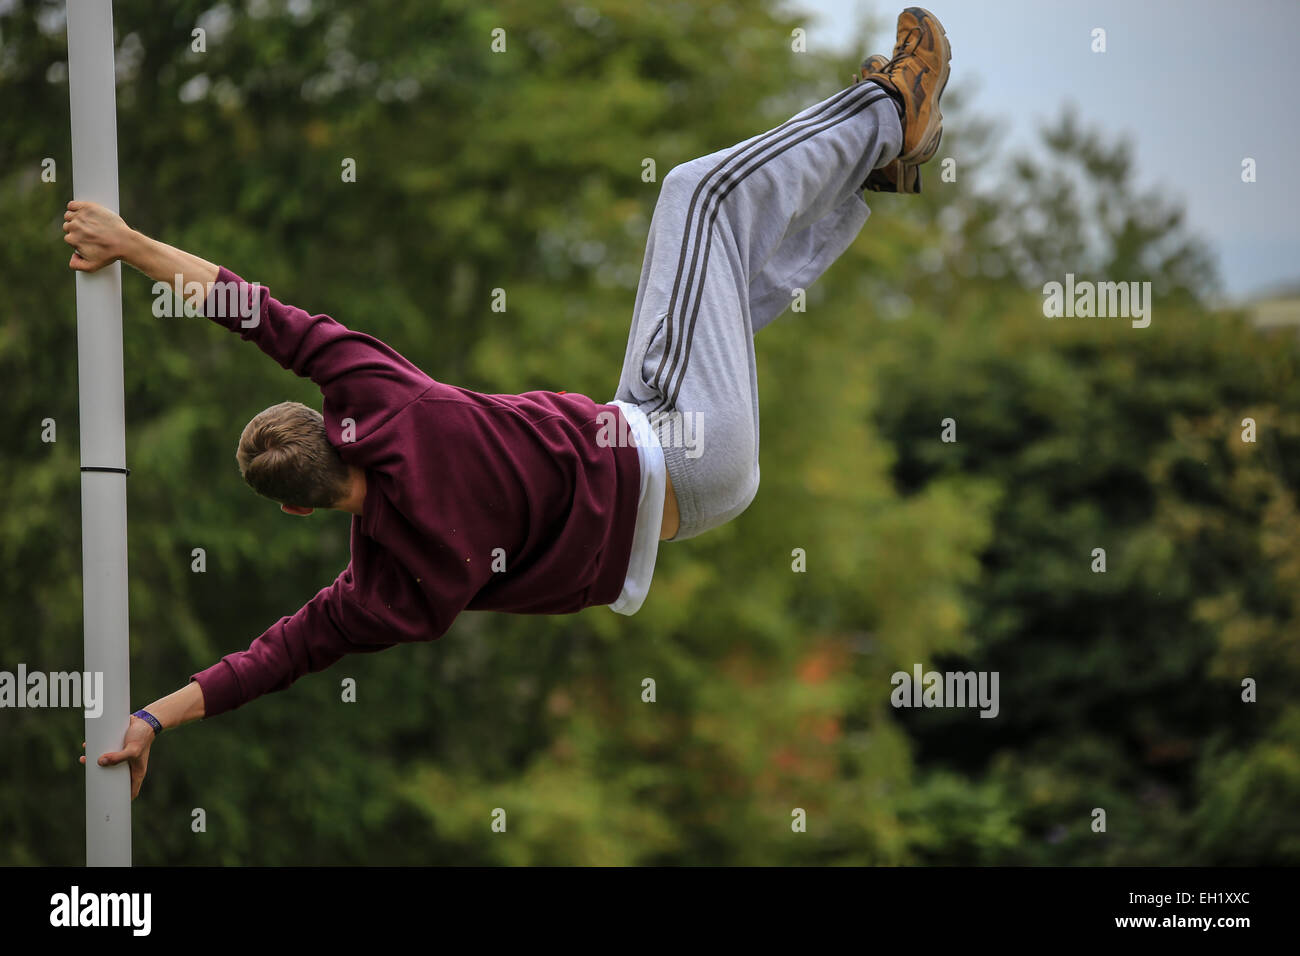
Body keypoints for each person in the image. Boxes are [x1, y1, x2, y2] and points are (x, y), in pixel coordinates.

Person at [74, 8, 950, 798]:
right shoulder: (383, 407)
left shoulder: (381, 591)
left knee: (723, 280)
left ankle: (872, 164)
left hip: (670, 460)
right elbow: (253, 310)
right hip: (680, 444)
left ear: (299, 505)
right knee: (699, 197)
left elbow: (274, 657)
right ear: (330, 424)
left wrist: (153, 717)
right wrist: (128, 244)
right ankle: (890, 111)